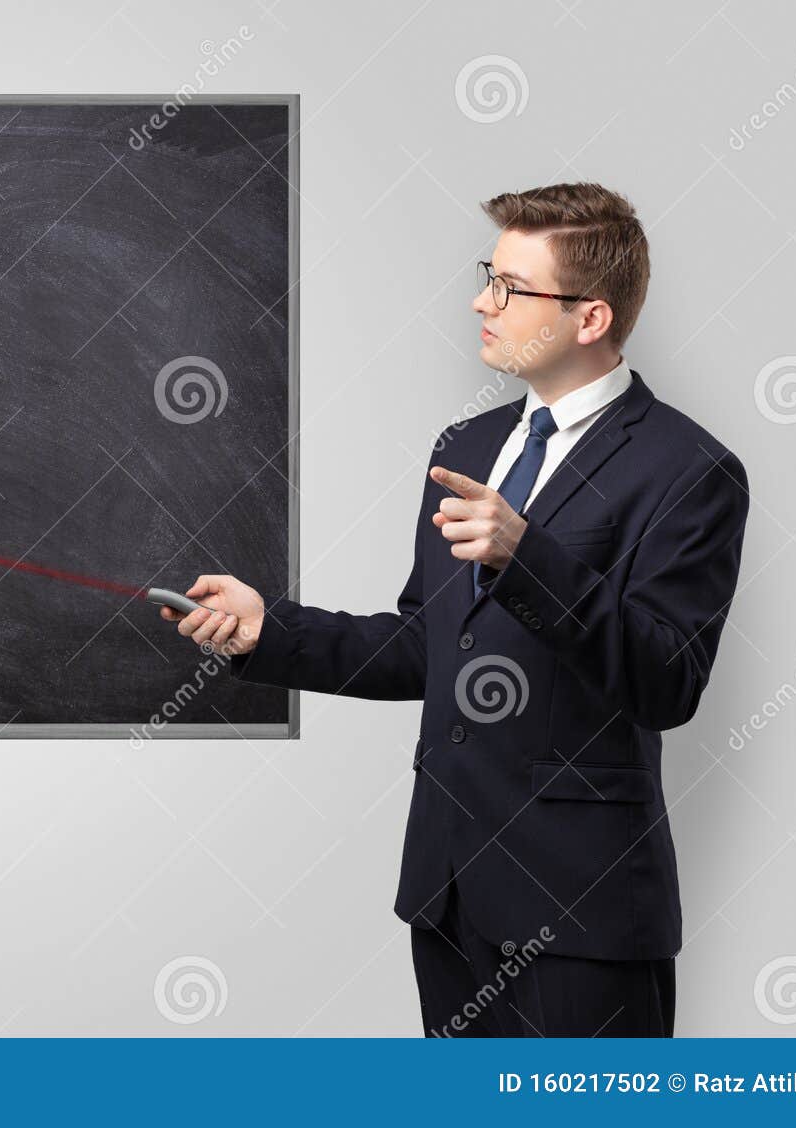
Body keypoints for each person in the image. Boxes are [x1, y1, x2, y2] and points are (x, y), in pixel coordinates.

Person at [162, 182, 749, 1037]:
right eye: (489, 274)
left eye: (511, 287)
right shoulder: (467, 448)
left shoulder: (689, 468)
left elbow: (669, 682)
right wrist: (269, 631)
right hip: (448, 893)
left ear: (589, 319)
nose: (482, 301)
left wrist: (528, 558)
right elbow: (423, 647)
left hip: (582, 907)